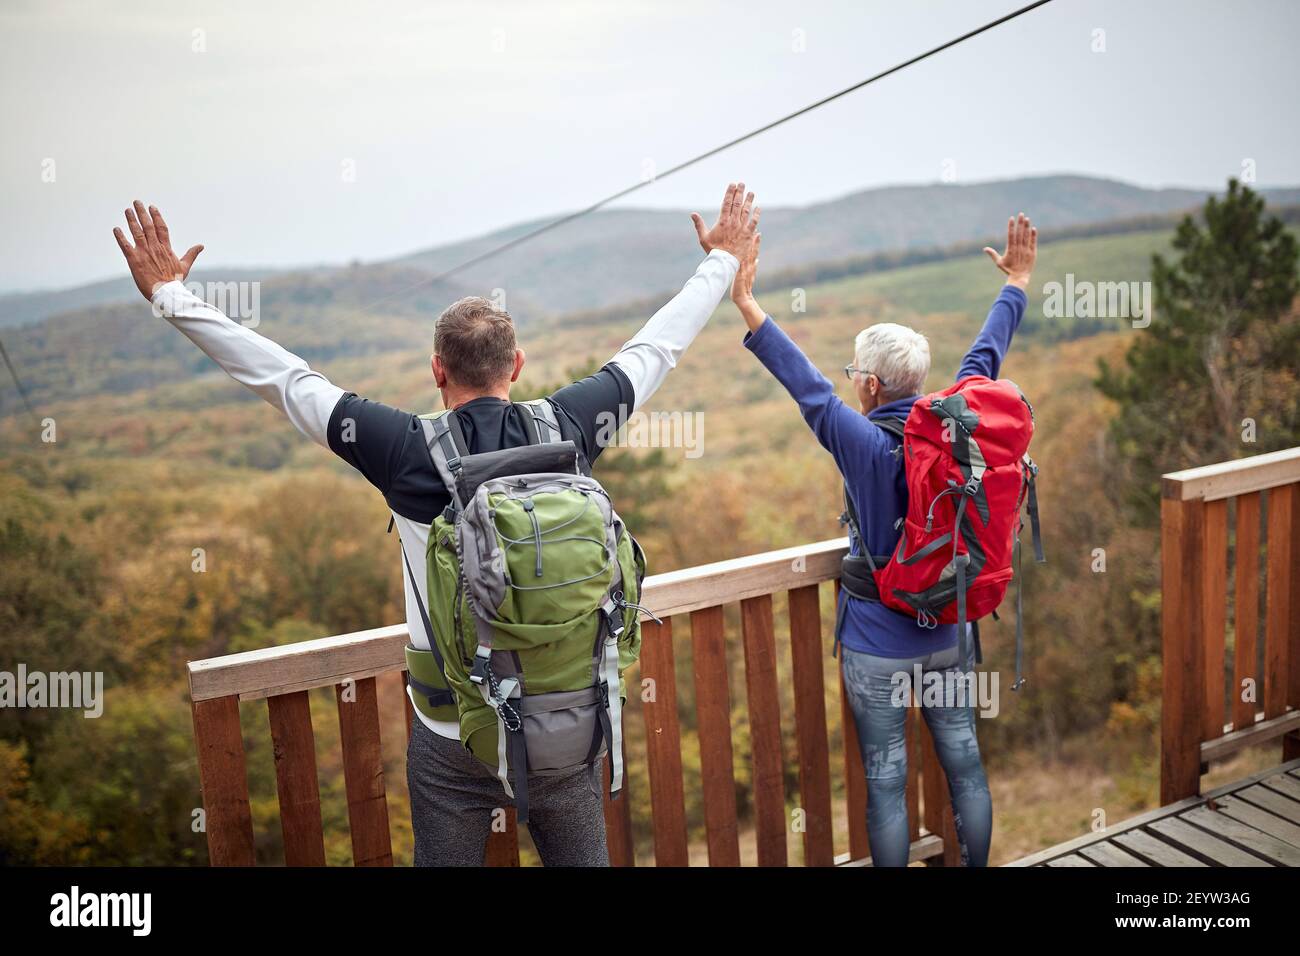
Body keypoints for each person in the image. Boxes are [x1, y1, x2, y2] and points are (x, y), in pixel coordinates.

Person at [112, 184, 761, 866]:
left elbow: (285, 380)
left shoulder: (403, 450)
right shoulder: (571, 426)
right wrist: (720, 262)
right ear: (516, 367)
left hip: (450, 727)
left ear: (436, 370)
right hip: (562, 720)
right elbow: (657, 348)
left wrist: (171, 298)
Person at [728, 213, 1038, 867]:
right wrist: (1016, 285)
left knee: (888, 782)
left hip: (877, 641)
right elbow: (985, 359)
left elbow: (808, 389)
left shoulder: (864, 444)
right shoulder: (958, 424)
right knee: (965, 763)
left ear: (869, 385)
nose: (848, 382)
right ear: (920, 381)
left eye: (854, 374)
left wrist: (749, 304)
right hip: (951, 629)